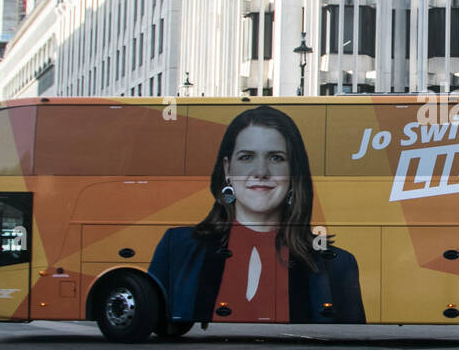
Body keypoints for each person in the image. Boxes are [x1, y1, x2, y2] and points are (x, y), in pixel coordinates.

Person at [149, 105, 365, 328]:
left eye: (276, 158)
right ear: (227, 169)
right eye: (247, 157)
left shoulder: (338, 264)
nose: (261, 172)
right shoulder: (177, 246)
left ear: (293, 172)